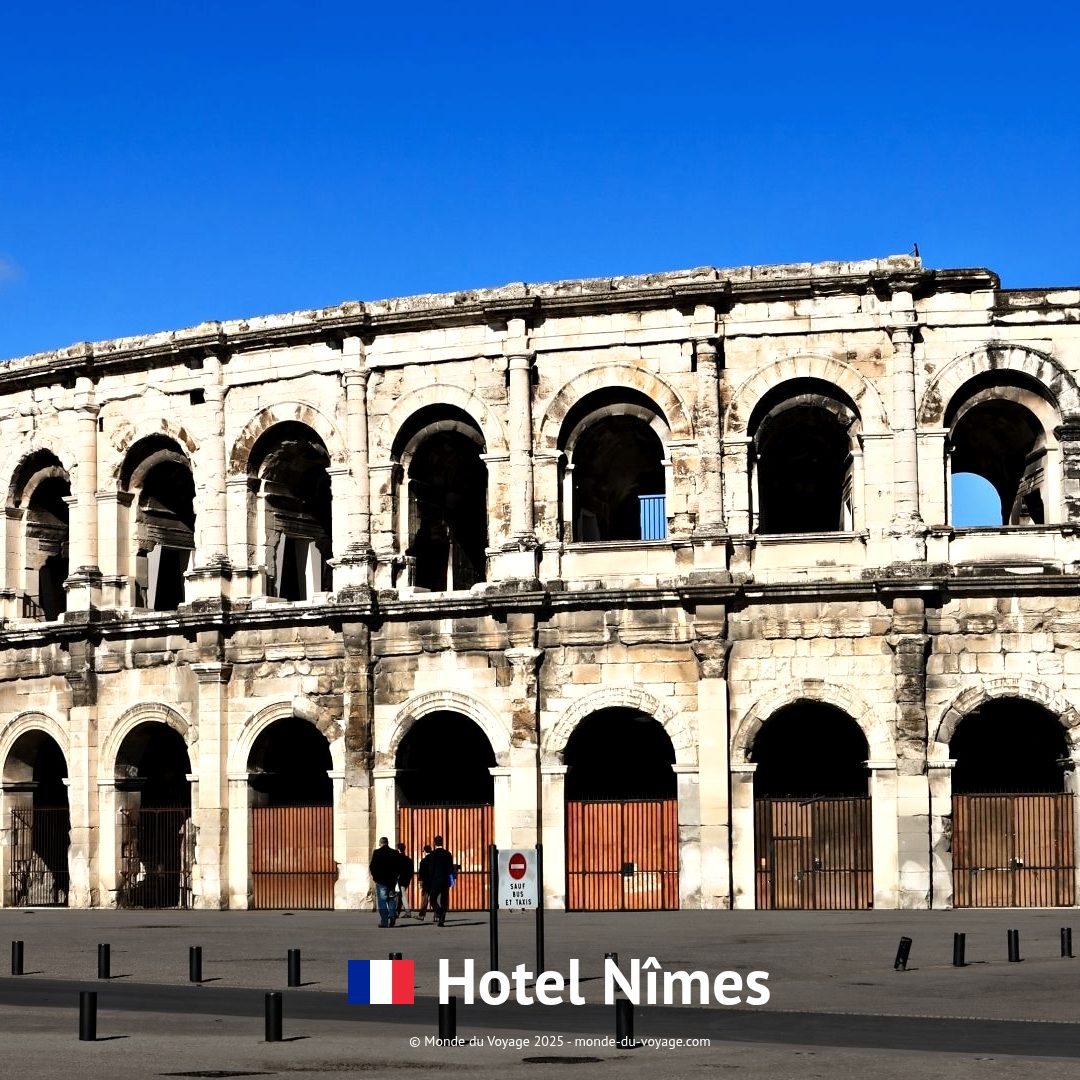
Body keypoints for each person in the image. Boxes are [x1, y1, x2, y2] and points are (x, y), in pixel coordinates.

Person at [369, 836, 400, 928]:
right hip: (391, 881)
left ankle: (385, 921)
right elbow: (398, 867)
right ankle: (393, 914)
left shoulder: (377, 852)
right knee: (391, 898)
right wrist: (395, 877)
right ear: (387, 843)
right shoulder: (394, 852)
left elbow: (372, 866)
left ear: (380, 843)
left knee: (382, 901)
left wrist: (375, 877)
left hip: (381, 881)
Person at [426, 835, 455, 927]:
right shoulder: (448, 853)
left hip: (436, 880)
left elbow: (431, 868)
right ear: (442, 842)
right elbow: (451, 868)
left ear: (434, 843)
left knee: (433, 899)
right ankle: (442, 919)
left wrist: (429, 880)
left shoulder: (433, 854)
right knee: (444, 900)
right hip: (445, 880)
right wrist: (452, 880)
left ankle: (438, 912)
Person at [395, 842, 415, 918]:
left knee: (402, 896)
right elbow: (411, 871)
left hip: (399, 880)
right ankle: (397, 912)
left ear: (398, 849)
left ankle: (408, 912)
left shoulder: (397, 858)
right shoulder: (408, 859)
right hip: (406, 880)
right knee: (400, 896)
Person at [415, 844, 433, 921]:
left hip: (426, 883)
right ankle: (437, 915)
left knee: (424, 899)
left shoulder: (423, 861)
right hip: (434, 881)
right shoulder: (434, 859)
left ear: (425, 851)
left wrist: (420, 882)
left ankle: (422, 915)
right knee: (435, 899)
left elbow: (421, 873)